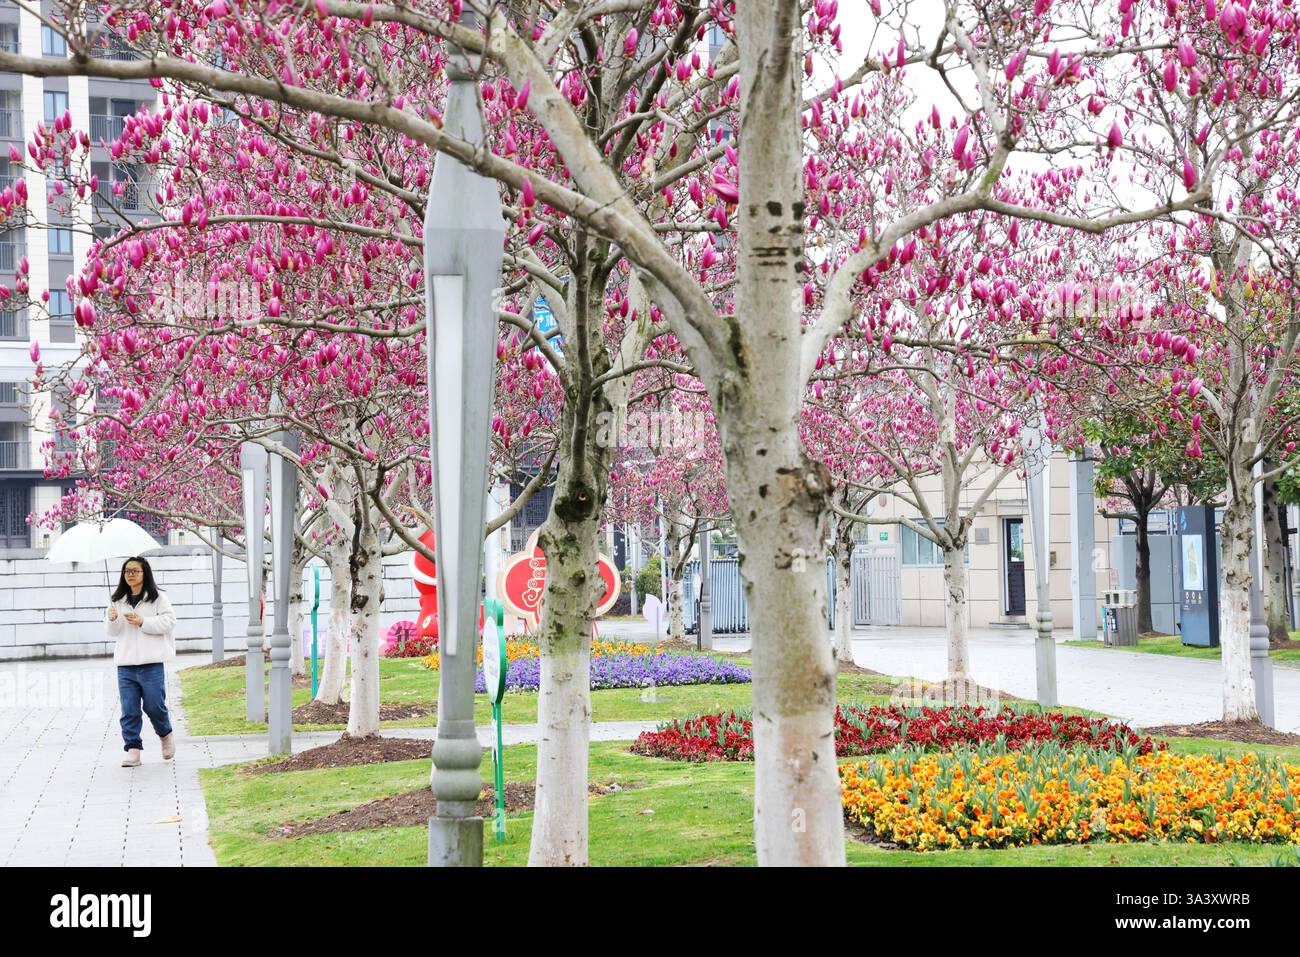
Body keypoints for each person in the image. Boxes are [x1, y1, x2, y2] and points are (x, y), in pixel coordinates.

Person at [105, 556, 178, 767]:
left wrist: (143, 621)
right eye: (127, 571)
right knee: (129, 709)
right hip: (126, 664)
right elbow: (113, 632)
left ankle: (165, 734)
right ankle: (133, 749)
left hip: (151, 663)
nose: (130, 575)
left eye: (135, 571)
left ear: (145, 573)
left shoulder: (158, 598)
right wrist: (112, 619)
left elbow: (169, 621)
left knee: (155, 706)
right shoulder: (117, 600)